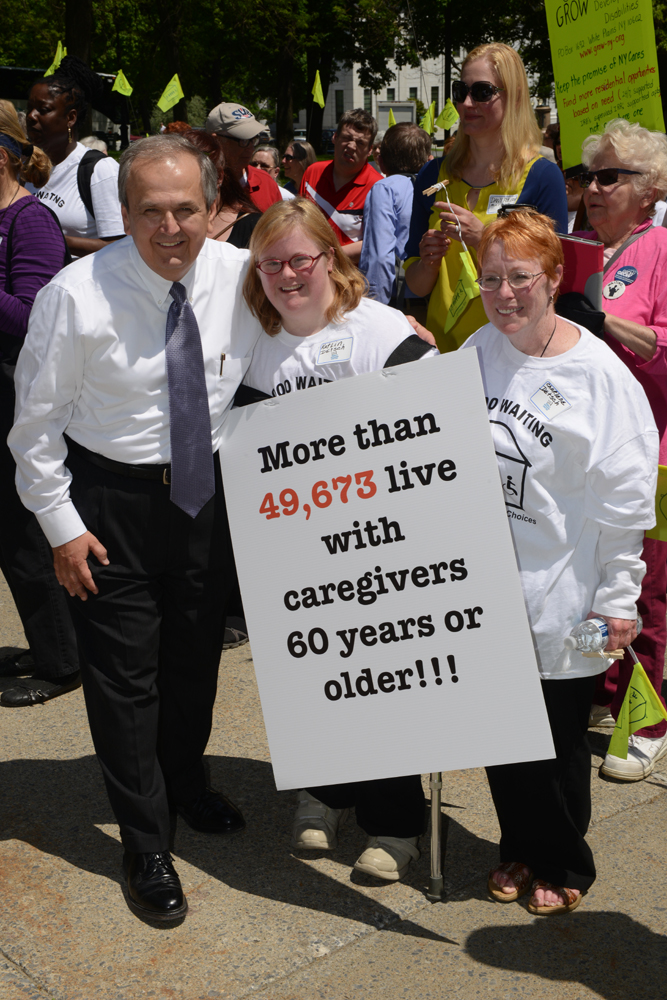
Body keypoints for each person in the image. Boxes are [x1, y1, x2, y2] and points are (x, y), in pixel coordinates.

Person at [9, 134, 262, 922]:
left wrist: (402, 340)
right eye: (150, 211)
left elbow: (326, 321)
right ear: (123, 213)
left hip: (205, 499)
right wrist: (60, 527)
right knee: (123, 682)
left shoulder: (242, 279)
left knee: (193, 661)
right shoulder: (75, 295)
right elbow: (34, 429)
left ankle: (185, 783)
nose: (170, 227)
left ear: (213, 207)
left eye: (187, 208)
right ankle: (145, 840)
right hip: (109, 503)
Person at [238, 197, 438, 880]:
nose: (287, 275)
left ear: (332, 257)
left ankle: (395, 821)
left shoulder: (379, 331)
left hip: (380, 545)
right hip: (295, 547)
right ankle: (323, 793)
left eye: (301, 259)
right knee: (314, 675)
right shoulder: (255, 341)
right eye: (272, 263)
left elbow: (430, 429)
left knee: (380, 683)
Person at [463, 209, 656, 914]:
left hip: (564, 594)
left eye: (518, 277)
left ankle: (563, 861)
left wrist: (617, 598)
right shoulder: (478, 351)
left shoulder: (599, 377)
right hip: (484, 586)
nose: (503, 293)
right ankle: (516, 847)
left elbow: (624, 503)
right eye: (490, 279)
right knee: (501, 733)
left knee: (555, 741)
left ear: (551, 277)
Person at [561, 119, 667, 780]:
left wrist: (601, 323)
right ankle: (602, 697)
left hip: (648, 450)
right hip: (576, 451)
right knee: (584, 586)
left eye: (610, 177)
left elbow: (663, 350)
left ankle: (645, 721)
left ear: (649, 188)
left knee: (644, 594)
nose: (593, 189)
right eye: (588, 177)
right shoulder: (574, 248)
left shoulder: (659, 248)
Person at [404, 43, 567, 353]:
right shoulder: (432, 175)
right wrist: (427, 262)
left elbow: (555, 282)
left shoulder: (542, 177)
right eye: (460, 91)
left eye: (481, 92)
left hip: (514, 351)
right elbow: (415, 285)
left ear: (514, 96)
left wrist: (484, 240)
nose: (466, 103)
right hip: (444, 352)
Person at [0, 100, 80, 707]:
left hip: (13, 390)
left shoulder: (31, 220)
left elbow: (33, 317)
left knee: (25, 530)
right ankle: (47, 642)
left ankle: (62, 661)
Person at [24, 55, 125, 257]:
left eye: (43, 110)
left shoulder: (99, 170)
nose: (31, 116)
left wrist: (51, 239)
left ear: (70, 118)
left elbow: (120, 247)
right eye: (29, 108)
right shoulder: (25, 166)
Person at [359, 123, 432, 305]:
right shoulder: (438, 187)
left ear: (381, 162)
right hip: (436, 301)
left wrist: (375, 306)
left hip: (400, 301)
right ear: (428, 159)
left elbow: (379, 256)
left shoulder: (385, 189)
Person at [300, 108, 379, 263]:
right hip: (307, 270)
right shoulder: (312, 173)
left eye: (360, 142)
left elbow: (375, 243)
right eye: (346, 138)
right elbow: (298, 222)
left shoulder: (377, 187)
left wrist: (326, 258)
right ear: (335, 137)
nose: (351, 146)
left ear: (370, 150)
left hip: (350, 279)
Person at [181, 128, 260, 250]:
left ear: (219, 177)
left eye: (198, 177)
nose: (186, 187)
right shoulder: (168, 225)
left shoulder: (254, 226)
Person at [205, 102, 282, 212]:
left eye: (253, 139)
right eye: (243, 140)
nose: (250, 148)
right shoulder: (198, 183)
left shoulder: (266, 183)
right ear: (216, 141)